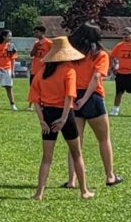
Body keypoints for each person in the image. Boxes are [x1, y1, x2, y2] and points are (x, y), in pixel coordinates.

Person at [28, 35, 92, 201]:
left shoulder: (41, 73)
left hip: (47, 114)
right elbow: (69, 97)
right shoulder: (69, 71)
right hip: (65, 115)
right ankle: (84, 190)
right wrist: (64, 118)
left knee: (46, 158)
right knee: (76, 153)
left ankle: (39, 193)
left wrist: (42, 120)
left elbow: (35, 100)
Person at [71, 23, 122, 187]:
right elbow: (95, 78)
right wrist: (85, 99)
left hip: (73, 97)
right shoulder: (100, 54)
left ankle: (72, 180)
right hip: (92, 98)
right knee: (104, 139)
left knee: (75, 141)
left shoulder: (73, 54)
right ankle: (110, 176)